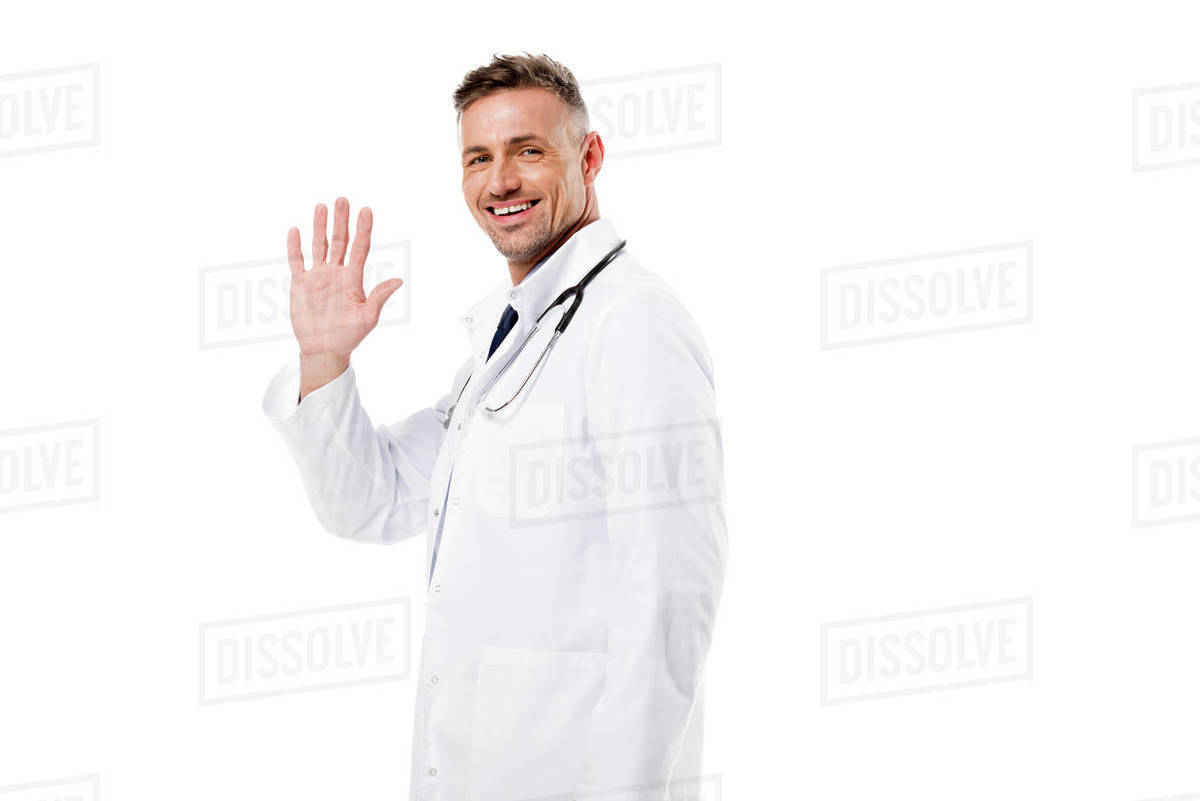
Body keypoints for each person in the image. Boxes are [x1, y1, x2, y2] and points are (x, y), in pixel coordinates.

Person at [261, 52, 727, 801]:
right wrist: (324, 359)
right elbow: (368, 501)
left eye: (527, 151)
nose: (499, 181)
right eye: (478, 158)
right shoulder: (506, 343)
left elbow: (672, 591)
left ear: (590, 155)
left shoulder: (632, 322)